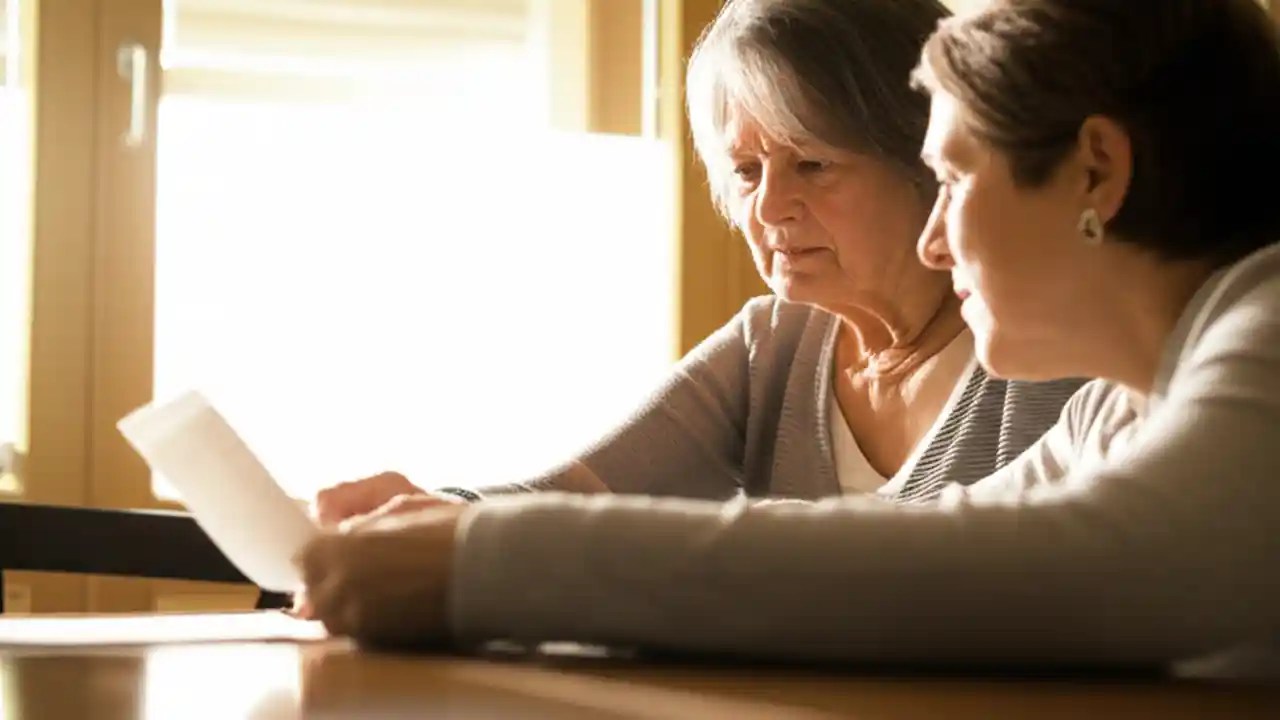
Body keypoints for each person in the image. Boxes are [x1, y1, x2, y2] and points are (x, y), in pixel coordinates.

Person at [297, 0, 1280, 673]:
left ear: (1095, 174)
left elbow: (1078, 572)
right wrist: (469, 530)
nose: (936, 239)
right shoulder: (1135, 395)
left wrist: (485, 565)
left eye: (949, 178)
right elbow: (913, 537)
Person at [311, 0, 1084, 530]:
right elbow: (579, 495)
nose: (769, 208)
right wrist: (436, 513)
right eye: (746, 171)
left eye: (811, 164)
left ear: (920, 159)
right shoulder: (772, 345)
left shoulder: (1040, 356)